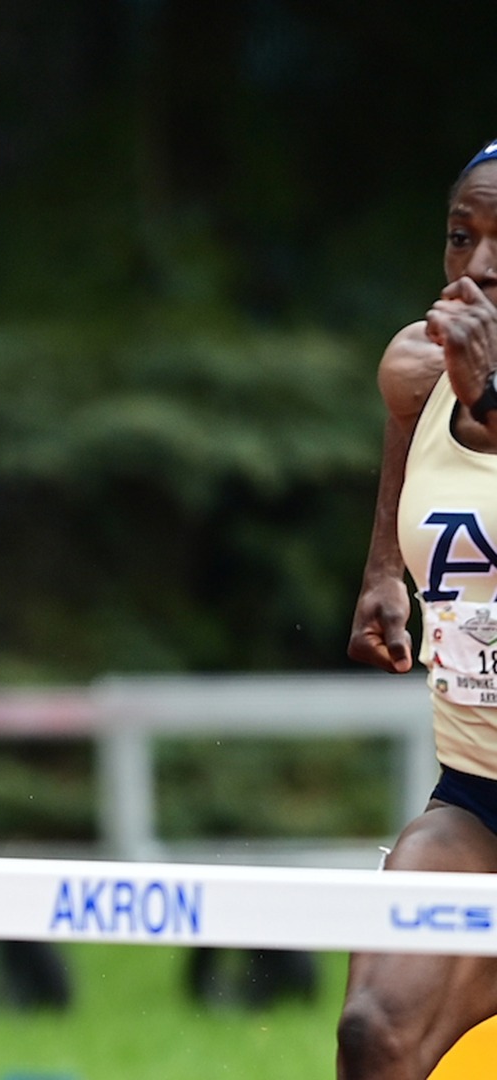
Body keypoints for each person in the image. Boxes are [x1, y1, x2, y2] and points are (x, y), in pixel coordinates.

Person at [340, 138, 497, 1079]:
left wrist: (490, 391)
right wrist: (382, 576)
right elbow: (410, 470)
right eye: (460, 236)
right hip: (480, 795)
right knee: (378, 1033)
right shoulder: (419, 368)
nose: (480, 266)